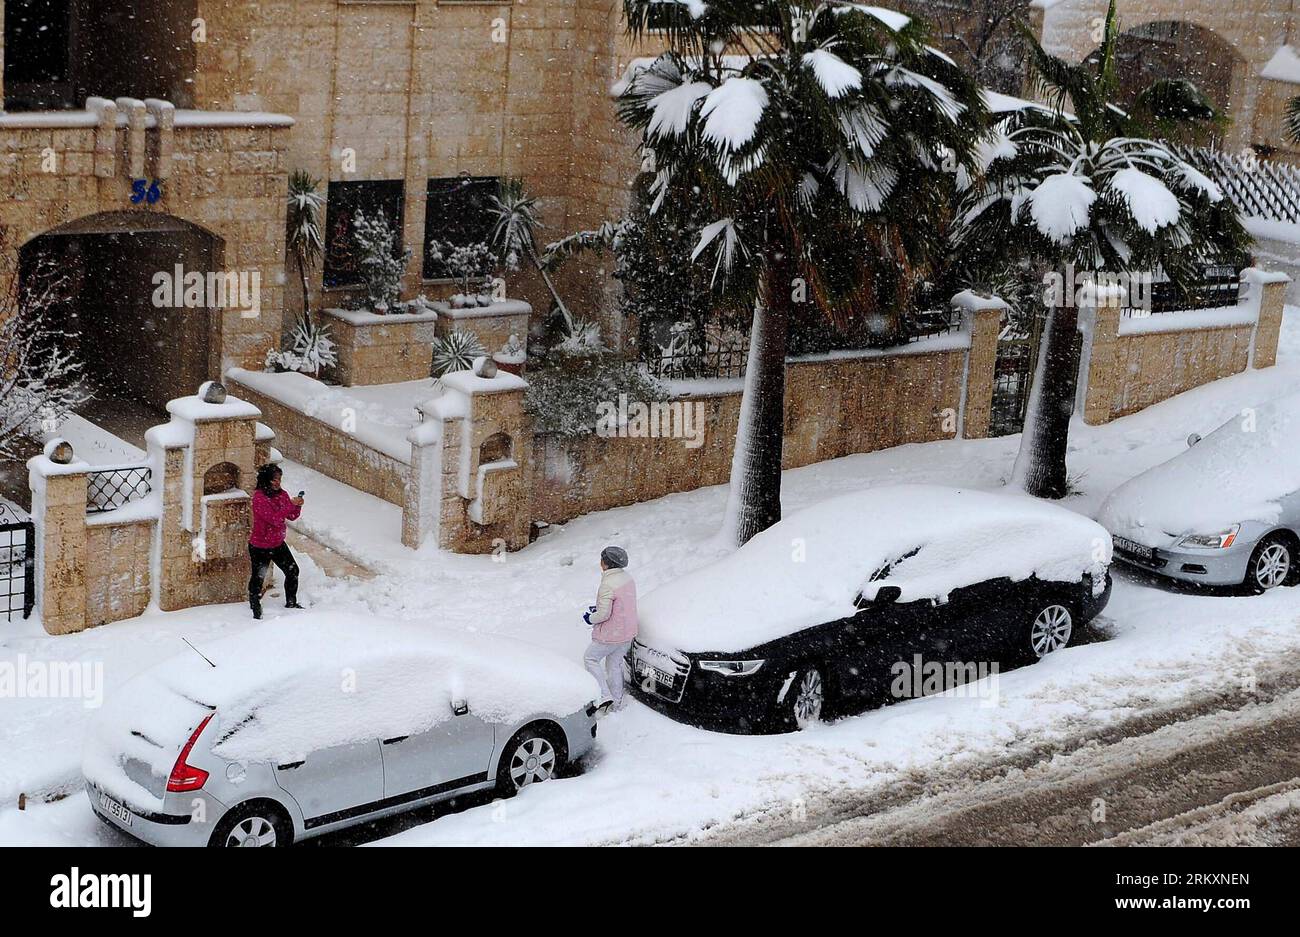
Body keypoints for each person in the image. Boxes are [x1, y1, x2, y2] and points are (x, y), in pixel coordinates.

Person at [582, 545, 638, 712]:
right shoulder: (628, 578)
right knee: (614, 665)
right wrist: (599, 608)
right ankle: (617, 703)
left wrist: (590, 618)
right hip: (627, 633)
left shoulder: (607, 584)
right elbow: (621, 603)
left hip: (611, 634)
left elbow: (604, 615)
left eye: (602, 559)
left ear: (605, 563)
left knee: (590, 659)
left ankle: (605, 696)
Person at [248, 464, 304, 620]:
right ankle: (255, 607)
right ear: (266, 480)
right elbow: (274, 518)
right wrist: (290, 505)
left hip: (277, 543)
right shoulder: (259, 498)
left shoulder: (282, 494)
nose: (278, 482)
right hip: (260, 546)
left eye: (279, 479)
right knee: (258, 577)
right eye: (274, 480)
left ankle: (291, 603)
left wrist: (297, 506)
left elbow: (291, 516)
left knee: (293, 571)